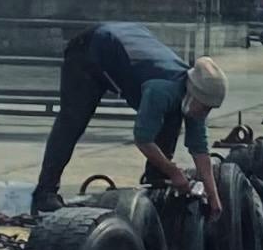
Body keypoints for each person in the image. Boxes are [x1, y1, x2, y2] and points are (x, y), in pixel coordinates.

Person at [30, 20, 228, 217]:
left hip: (125, 41)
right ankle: (45, 193)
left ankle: (156, 180)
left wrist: (213, 197)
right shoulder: (161, 89)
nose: (205, 113)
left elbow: (199, 148)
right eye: (204, 107)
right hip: (90, 50)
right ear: (193, 94)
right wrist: (174, 172)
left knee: (172, 118)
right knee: (72, 121)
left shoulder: (194, 94)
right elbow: (143, 139)